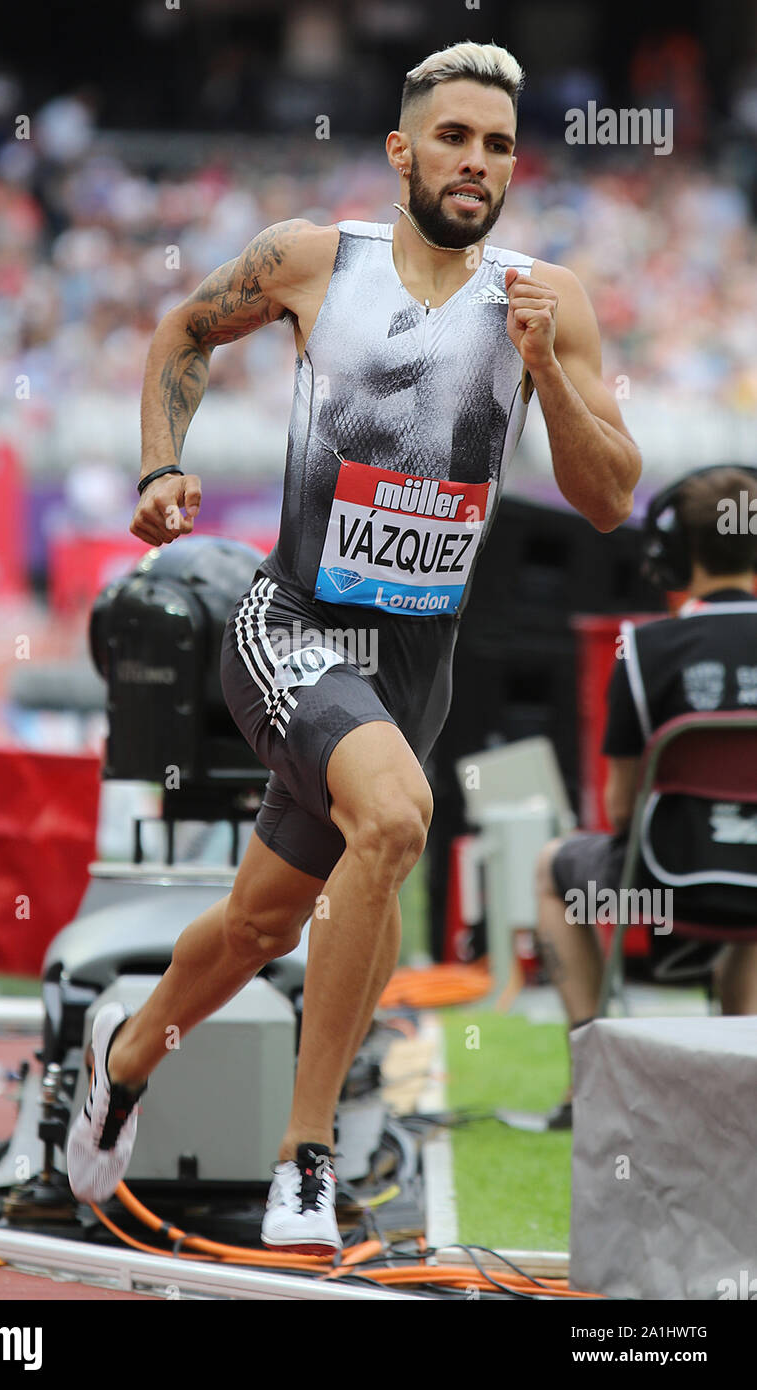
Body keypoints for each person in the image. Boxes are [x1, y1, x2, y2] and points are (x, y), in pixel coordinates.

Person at [66, 39, 640, 1254]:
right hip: (287, 627)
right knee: (395, 818)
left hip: (411, 669)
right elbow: (181, 333)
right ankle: (305, 1158)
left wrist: (547, 372)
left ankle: (119, 1066)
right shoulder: (314, 261)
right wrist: (162, 464)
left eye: (494, 143)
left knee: (257, 927)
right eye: (451, 137)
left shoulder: (548, 301)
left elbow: (607, 498)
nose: (473, 161)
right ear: (401, 149)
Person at [535, 465, 757, 1130]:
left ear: (672, 556)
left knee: (553, 868)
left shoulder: (643, 649)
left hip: (664, 887)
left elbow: (622, 810)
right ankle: (740, 1069)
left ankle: (591, 1079)